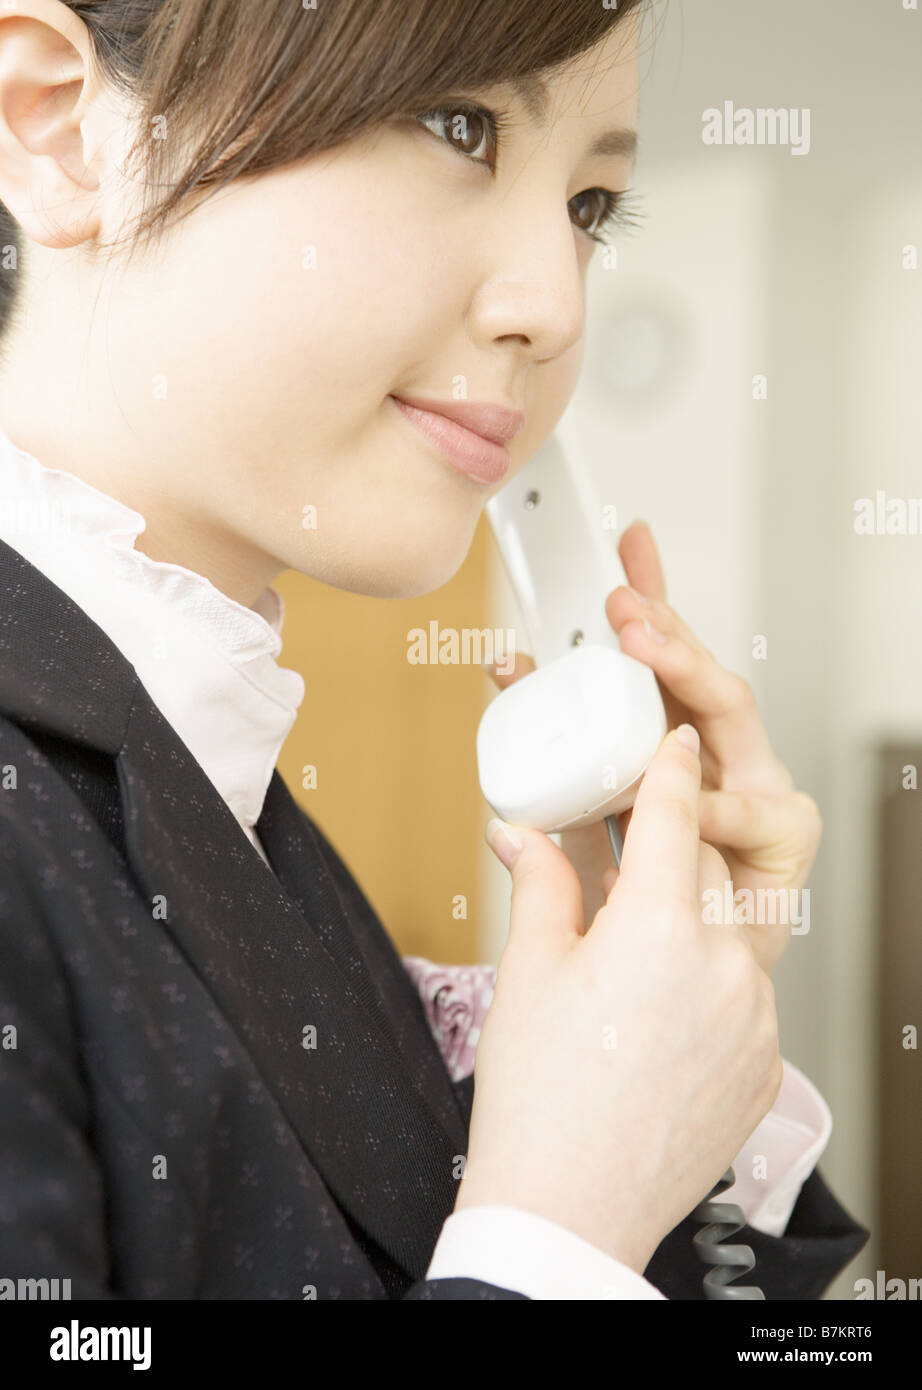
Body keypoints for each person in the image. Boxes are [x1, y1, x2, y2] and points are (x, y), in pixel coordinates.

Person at [0, 0, 867, 1299]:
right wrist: (557, 1234)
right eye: (458, 125)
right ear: (62, 125)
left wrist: (664, 1098)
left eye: (588, 206)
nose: (552, 305)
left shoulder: (226, 799)